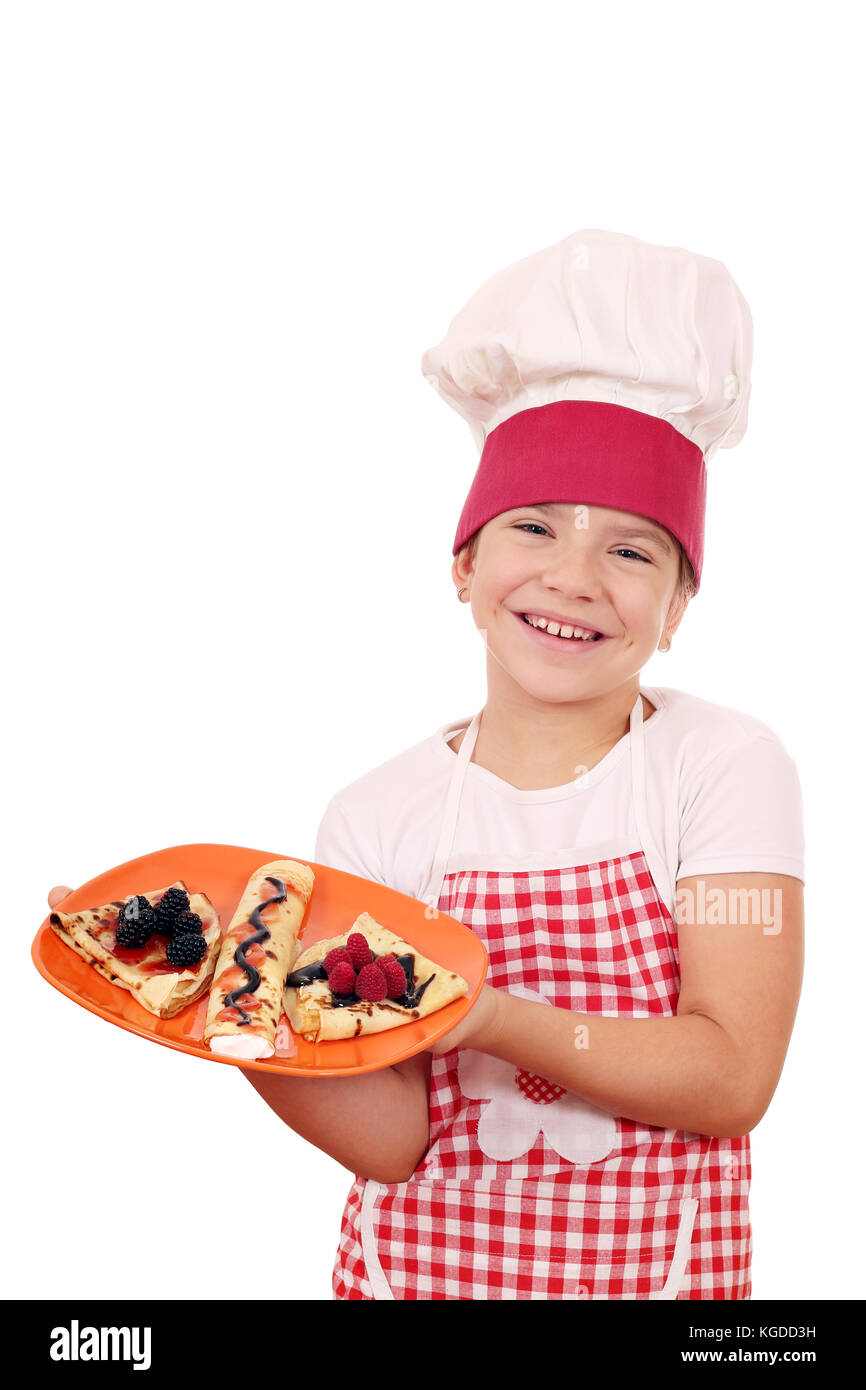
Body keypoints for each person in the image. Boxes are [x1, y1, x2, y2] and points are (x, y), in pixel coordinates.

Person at [48, 228, 805, 1301]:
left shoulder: (722, 765)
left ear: (678, 606)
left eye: (630, 549)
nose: (574, 576)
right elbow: (393, 1139)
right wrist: (231, 1016)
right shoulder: (378, 813)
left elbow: (731, 1076)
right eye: (533, 527)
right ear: (463, 564)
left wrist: (488, 1017)